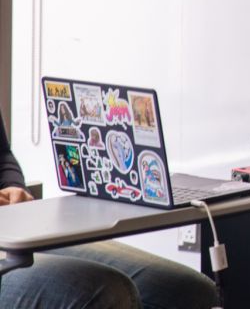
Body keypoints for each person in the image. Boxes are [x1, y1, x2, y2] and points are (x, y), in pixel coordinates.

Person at [0, 111, 219, 309]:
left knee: (189, 291)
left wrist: (13, 185)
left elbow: (3, 155)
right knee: (109, 294)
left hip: (13, 232)